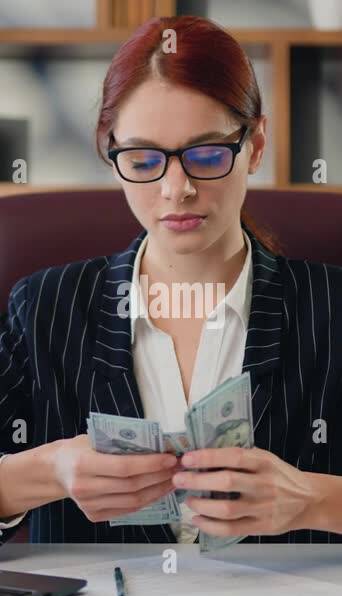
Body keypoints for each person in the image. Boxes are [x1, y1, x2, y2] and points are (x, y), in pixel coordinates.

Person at [0, 15, 341, 547]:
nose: (176, 189)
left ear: (254, 145)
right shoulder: (44, 310)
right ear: (111, 156)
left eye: (206, 155)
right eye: (142, 159)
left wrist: (317, 501)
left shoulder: (333, 309)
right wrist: (48, 472)